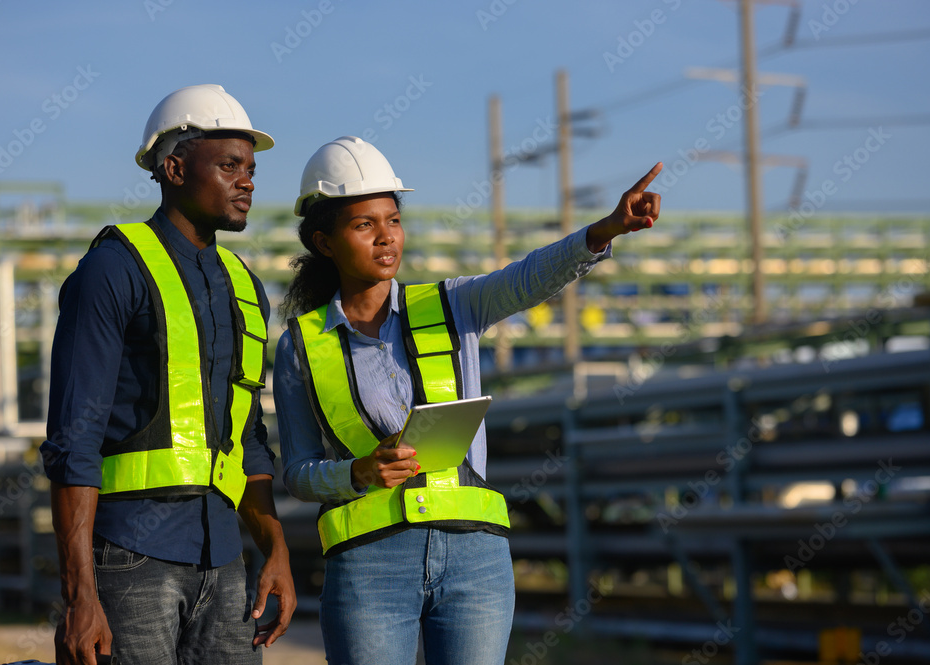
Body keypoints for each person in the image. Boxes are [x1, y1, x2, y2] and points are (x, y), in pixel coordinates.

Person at [273, 135, 661, 664]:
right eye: (365, 225)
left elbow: (528, 279)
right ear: (324, 242)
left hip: (475, 559)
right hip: (370, 565)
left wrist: (605, 230)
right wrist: (357, 473)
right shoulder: (301, 343)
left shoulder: (452, 304)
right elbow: (295, 471)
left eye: (393, 220)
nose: (386, 238)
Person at [42, 84, 296, 665]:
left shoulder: (242, 285)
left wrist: (274, 547)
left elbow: (248, 439)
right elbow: (73, 441)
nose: (248, 180)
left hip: (226, 562)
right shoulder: (113, 268)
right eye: (229, 165)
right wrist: (80, 594)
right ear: (174, 167)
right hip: (130, 558)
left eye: (251, 168)